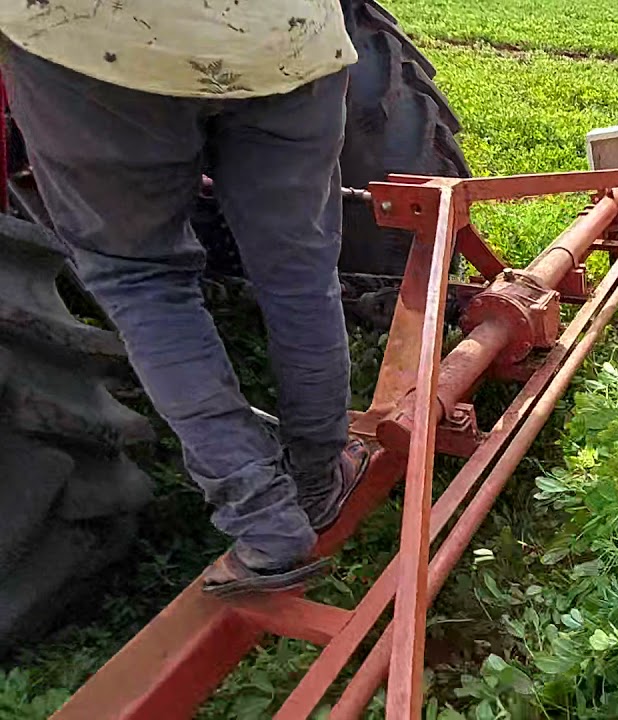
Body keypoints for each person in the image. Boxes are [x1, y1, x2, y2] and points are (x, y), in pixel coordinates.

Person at [0, 2, 368, 596]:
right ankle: (319, 479)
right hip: (286, 42)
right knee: (300, 272)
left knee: (142, 279)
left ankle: (264, 521)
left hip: (94, 49)